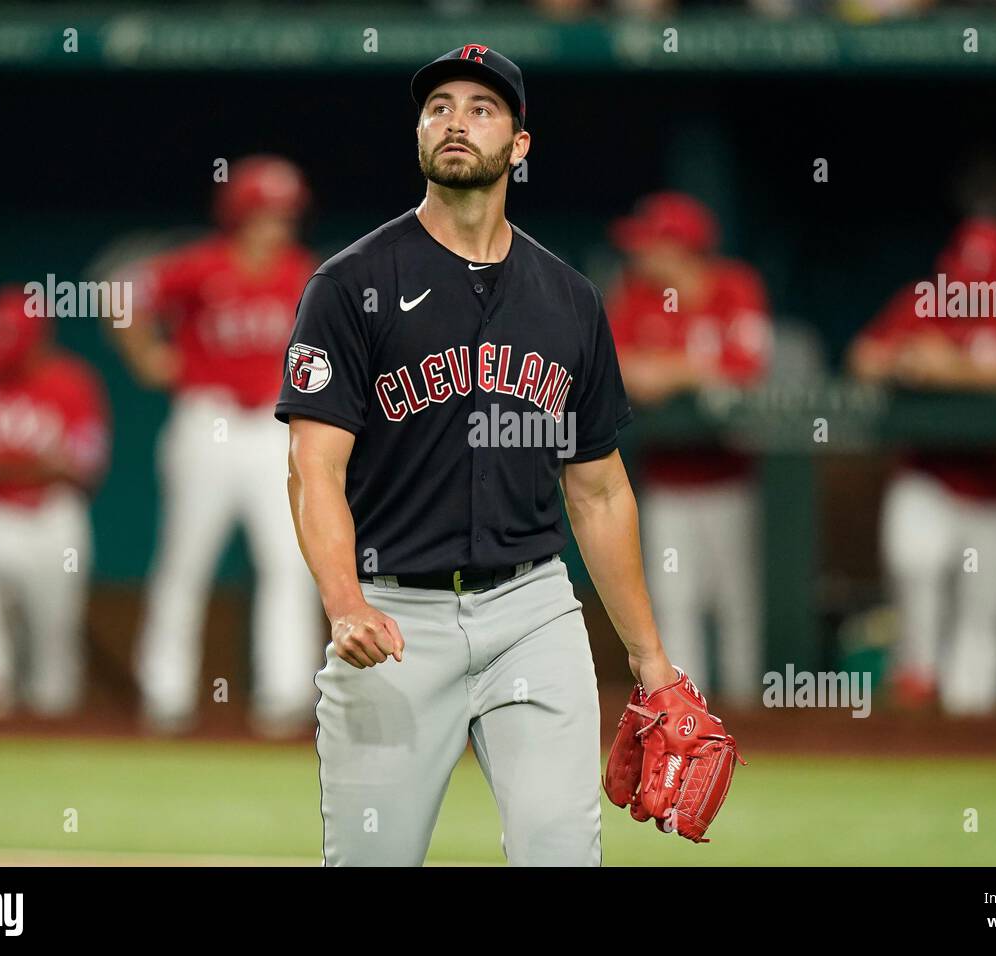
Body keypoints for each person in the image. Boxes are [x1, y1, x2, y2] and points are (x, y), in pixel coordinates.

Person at [278, 44, 688, 866]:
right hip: (396, 619)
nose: (455, 120)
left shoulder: (568, 299)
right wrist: (344, 602)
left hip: (532, 612)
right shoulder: (349, 284)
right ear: (420, 134)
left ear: (520, 145)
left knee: (560, 853)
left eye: (481, 107)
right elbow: (311, 468)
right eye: (438, 107)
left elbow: (599, 492)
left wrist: (654, 664)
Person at [115, 155, 323, 737]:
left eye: (283, 213)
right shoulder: (202, 266)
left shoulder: (305, 273)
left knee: (289, 563)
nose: (274, 224)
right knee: (186, 559)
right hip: (207, 419)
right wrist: (148, 356)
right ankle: (165, 695)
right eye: (263, 212)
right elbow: (122, 291)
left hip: (275, 429)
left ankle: (284, 698)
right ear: (238, 214)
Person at [849, 217, 996, 714]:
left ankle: (969, 740)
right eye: (963, 273)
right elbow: (862, 357)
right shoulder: (926, 301)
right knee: (912, 556)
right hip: (931, 473)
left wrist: (950, 369)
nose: (968, 286)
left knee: (980, 625)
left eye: (982, 276)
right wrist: (903, 359)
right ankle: (917, 672)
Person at [605, 192, 772, 704]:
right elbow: (609, 366)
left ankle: (752, 720)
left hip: (732, 479)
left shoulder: (735, 286)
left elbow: (748, 367)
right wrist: (687, 369)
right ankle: (686, 716)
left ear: (683, 248)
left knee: (736, 603)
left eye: (653, 245)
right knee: (674, 600)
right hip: (668, 481)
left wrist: (674, 369)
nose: (641, 255)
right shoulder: (636, 295)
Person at [0, 285, 110, 718]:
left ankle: (54, 713)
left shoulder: (72, 382)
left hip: (53, 517)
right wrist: (32, 463)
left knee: (53, 654)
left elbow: (83, 468)